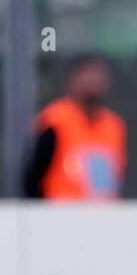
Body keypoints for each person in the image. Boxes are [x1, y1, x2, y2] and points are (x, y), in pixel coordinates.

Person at [24, 54, 126, 201]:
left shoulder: (114, 126)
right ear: (72, 80)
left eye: (97, 75)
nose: (93, 81)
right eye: (87, 74)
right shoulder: (55, 121)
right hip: (61, 214)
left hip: (104, 215)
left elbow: (116, 176)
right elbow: (33, 178)